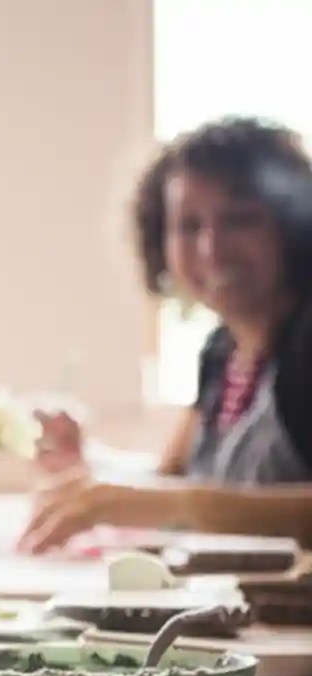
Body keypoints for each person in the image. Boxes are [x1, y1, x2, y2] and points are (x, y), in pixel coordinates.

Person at [20, 117, 312, 554]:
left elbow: (180, 498)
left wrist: (173, 504)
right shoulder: (222, 351)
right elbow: (173, 479)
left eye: (240, 220)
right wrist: (89, 463)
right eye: (189, 226)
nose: (212, 248)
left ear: (292, 227)